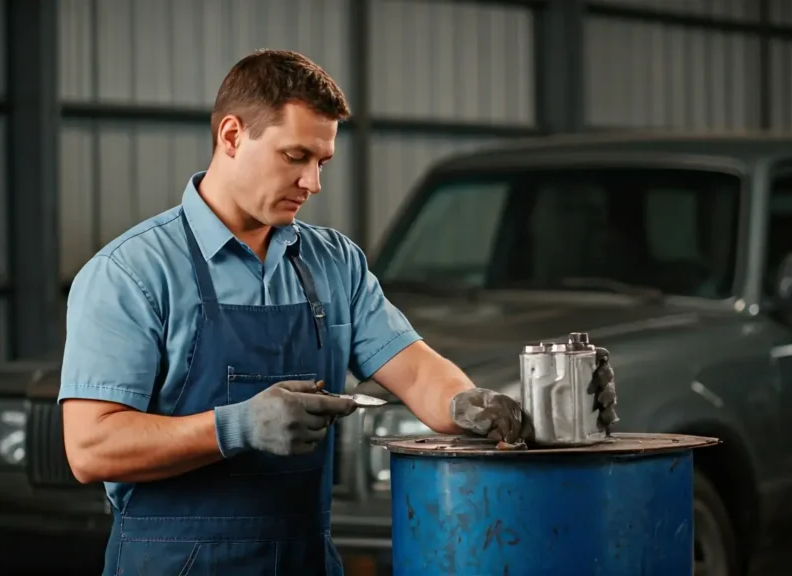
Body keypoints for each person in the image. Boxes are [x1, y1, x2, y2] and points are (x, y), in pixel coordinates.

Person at [58, 49, 530, 576]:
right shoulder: (132, 273)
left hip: (306, 559)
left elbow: (416, 370)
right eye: (295, 157)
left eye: (322, 162)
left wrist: (467, 404)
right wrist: (236, 427)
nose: (313, 183)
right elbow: (90, 446)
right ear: (232, 136)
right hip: (173, 561)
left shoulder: (334, 262)